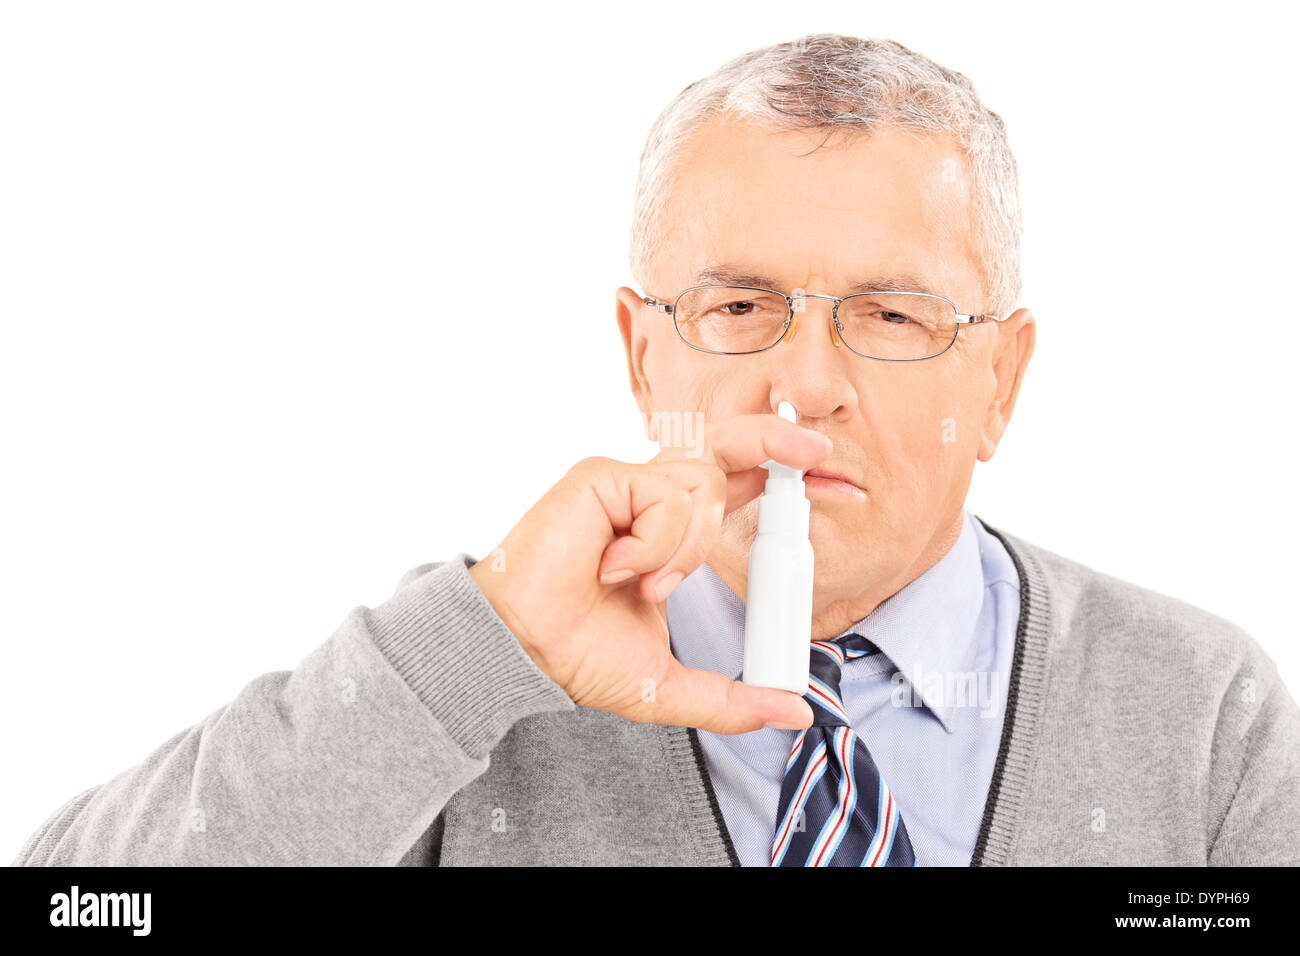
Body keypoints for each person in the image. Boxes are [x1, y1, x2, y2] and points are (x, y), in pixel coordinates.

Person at [13, 33, 1300, 867]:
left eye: (892, 316)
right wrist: (470, 653)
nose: (803, 384)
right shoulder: (472, 678)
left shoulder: (1200, 716)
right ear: (643, 360)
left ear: (1002, 379)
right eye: (740, 309)